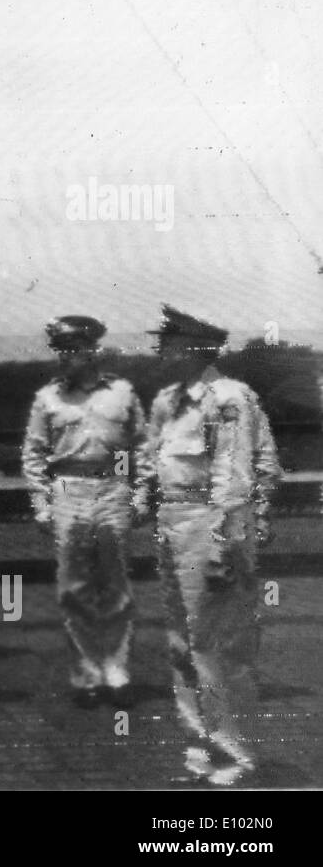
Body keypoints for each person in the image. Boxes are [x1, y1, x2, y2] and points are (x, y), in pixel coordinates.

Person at [139, 306, 281, 786]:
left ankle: (236, 751)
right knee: (181, 642)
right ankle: (200, 740)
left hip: (213, 524)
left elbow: (235, 472)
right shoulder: (167, 400)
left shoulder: (228, 398)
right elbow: (150, 456)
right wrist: (141, 499)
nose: (161, 348)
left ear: (196, 348)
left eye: (170, 341)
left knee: (214, 642)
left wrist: (225, 539)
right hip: (173, 522)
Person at [21, 316, 147, 708]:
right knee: (74, 590)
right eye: (61, 349)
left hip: (112, 488)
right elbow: (34, 453)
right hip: (68, 489)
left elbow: (137, 447)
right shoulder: (48, 398)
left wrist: (137, 492)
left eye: (76, 348)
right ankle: (86, 674)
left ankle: (116, 669)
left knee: (115, 586)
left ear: (93, 350)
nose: (68, 356)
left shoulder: (122, 393)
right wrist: (41, 503)